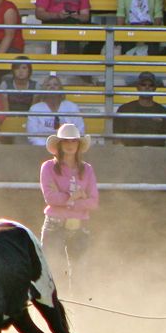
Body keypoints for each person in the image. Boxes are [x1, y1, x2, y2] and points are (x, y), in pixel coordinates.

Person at [39, 122, 99, 288]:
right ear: (59, 144)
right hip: (56, 225)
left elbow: (94, 201)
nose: (70, 145)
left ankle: (76, 309)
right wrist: (75, 198)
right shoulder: (48, 167)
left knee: (80, 273)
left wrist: (66, 201)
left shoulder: (87, 169)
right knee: (52, 272)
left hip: (78, 226)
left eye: (73, 141)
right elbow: (50, 198)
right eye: (66, 141)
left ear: (78, 144)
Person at [114, 72, 166, 147]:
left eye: (151, 85)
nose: (147, 87)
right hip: (130, 155)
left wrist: (162, 155)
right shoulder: (124, 109)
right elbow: (116, 137)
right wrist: (124, 155)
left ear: (155, 88)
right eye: (143, 85)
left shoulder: (164, 112)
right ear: (137, 87)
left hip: (156, 156)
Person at [27, 75, 85, 147]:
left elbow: (80, 130)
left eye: (55, 84)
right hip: (42, 147)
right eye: (48, 85)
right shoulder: (35, 109)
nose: (52, 87)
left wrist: (68, 146)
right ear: (44, 89)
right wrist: (46, 146)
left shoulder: (72, 107)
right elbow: (32, 136)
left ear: (60, 88)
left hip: (68, 147)